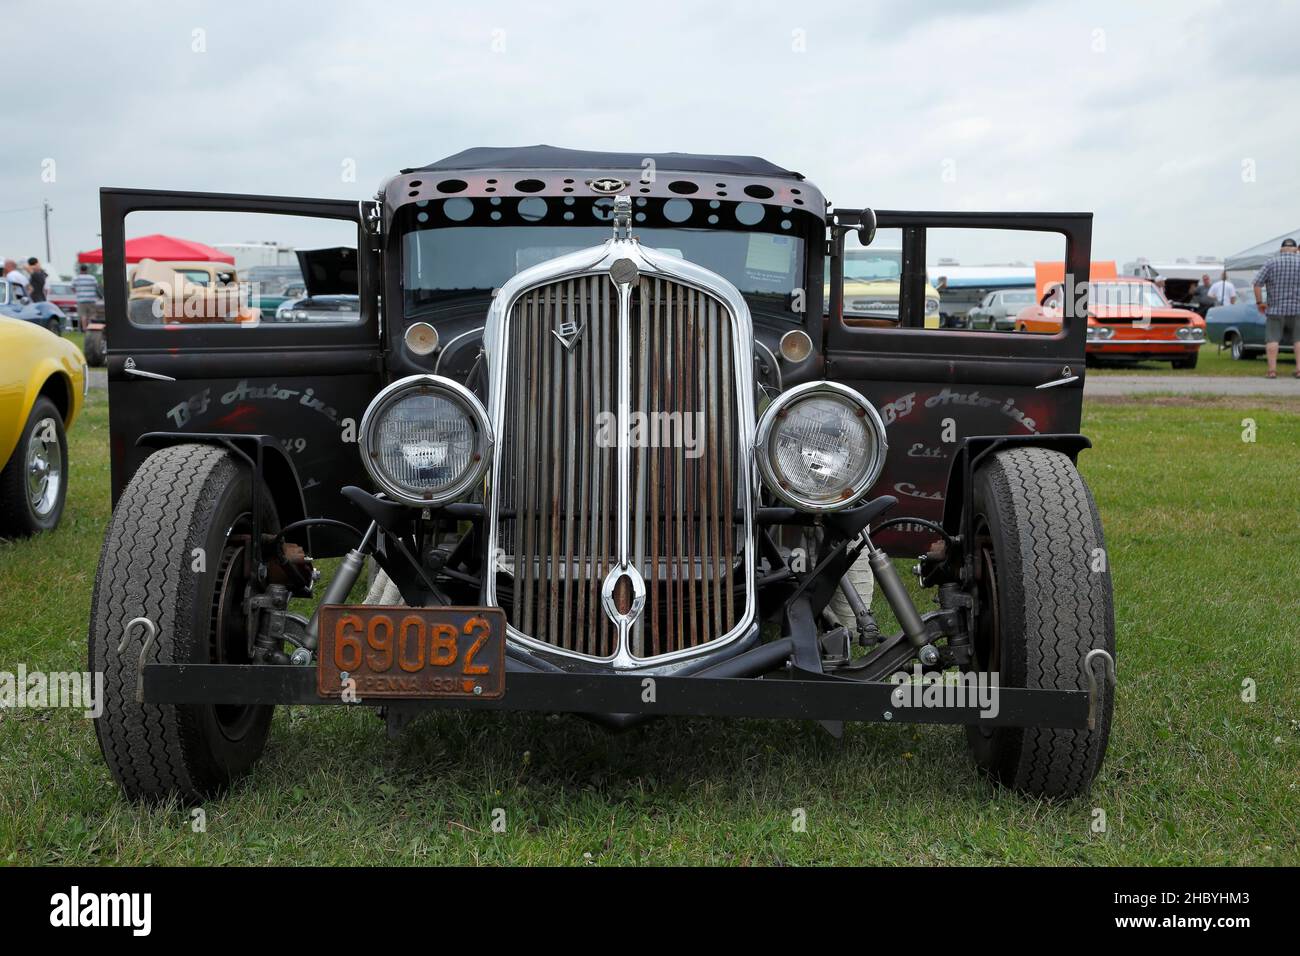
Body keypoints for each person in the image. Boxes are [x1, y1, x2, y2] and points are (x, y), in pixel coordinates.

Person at [1252, 237, 1300, 379]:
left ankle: (1272, 371)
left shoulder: (1271, 262)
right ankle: (1299, 370)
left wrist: (1260, 302)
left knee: (1273, 340)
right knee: (1299, 340)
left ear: (1281, 249)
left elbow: (1257, 284)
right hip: (1298, 310)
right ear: (1296, 249)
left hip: (1275, 309)